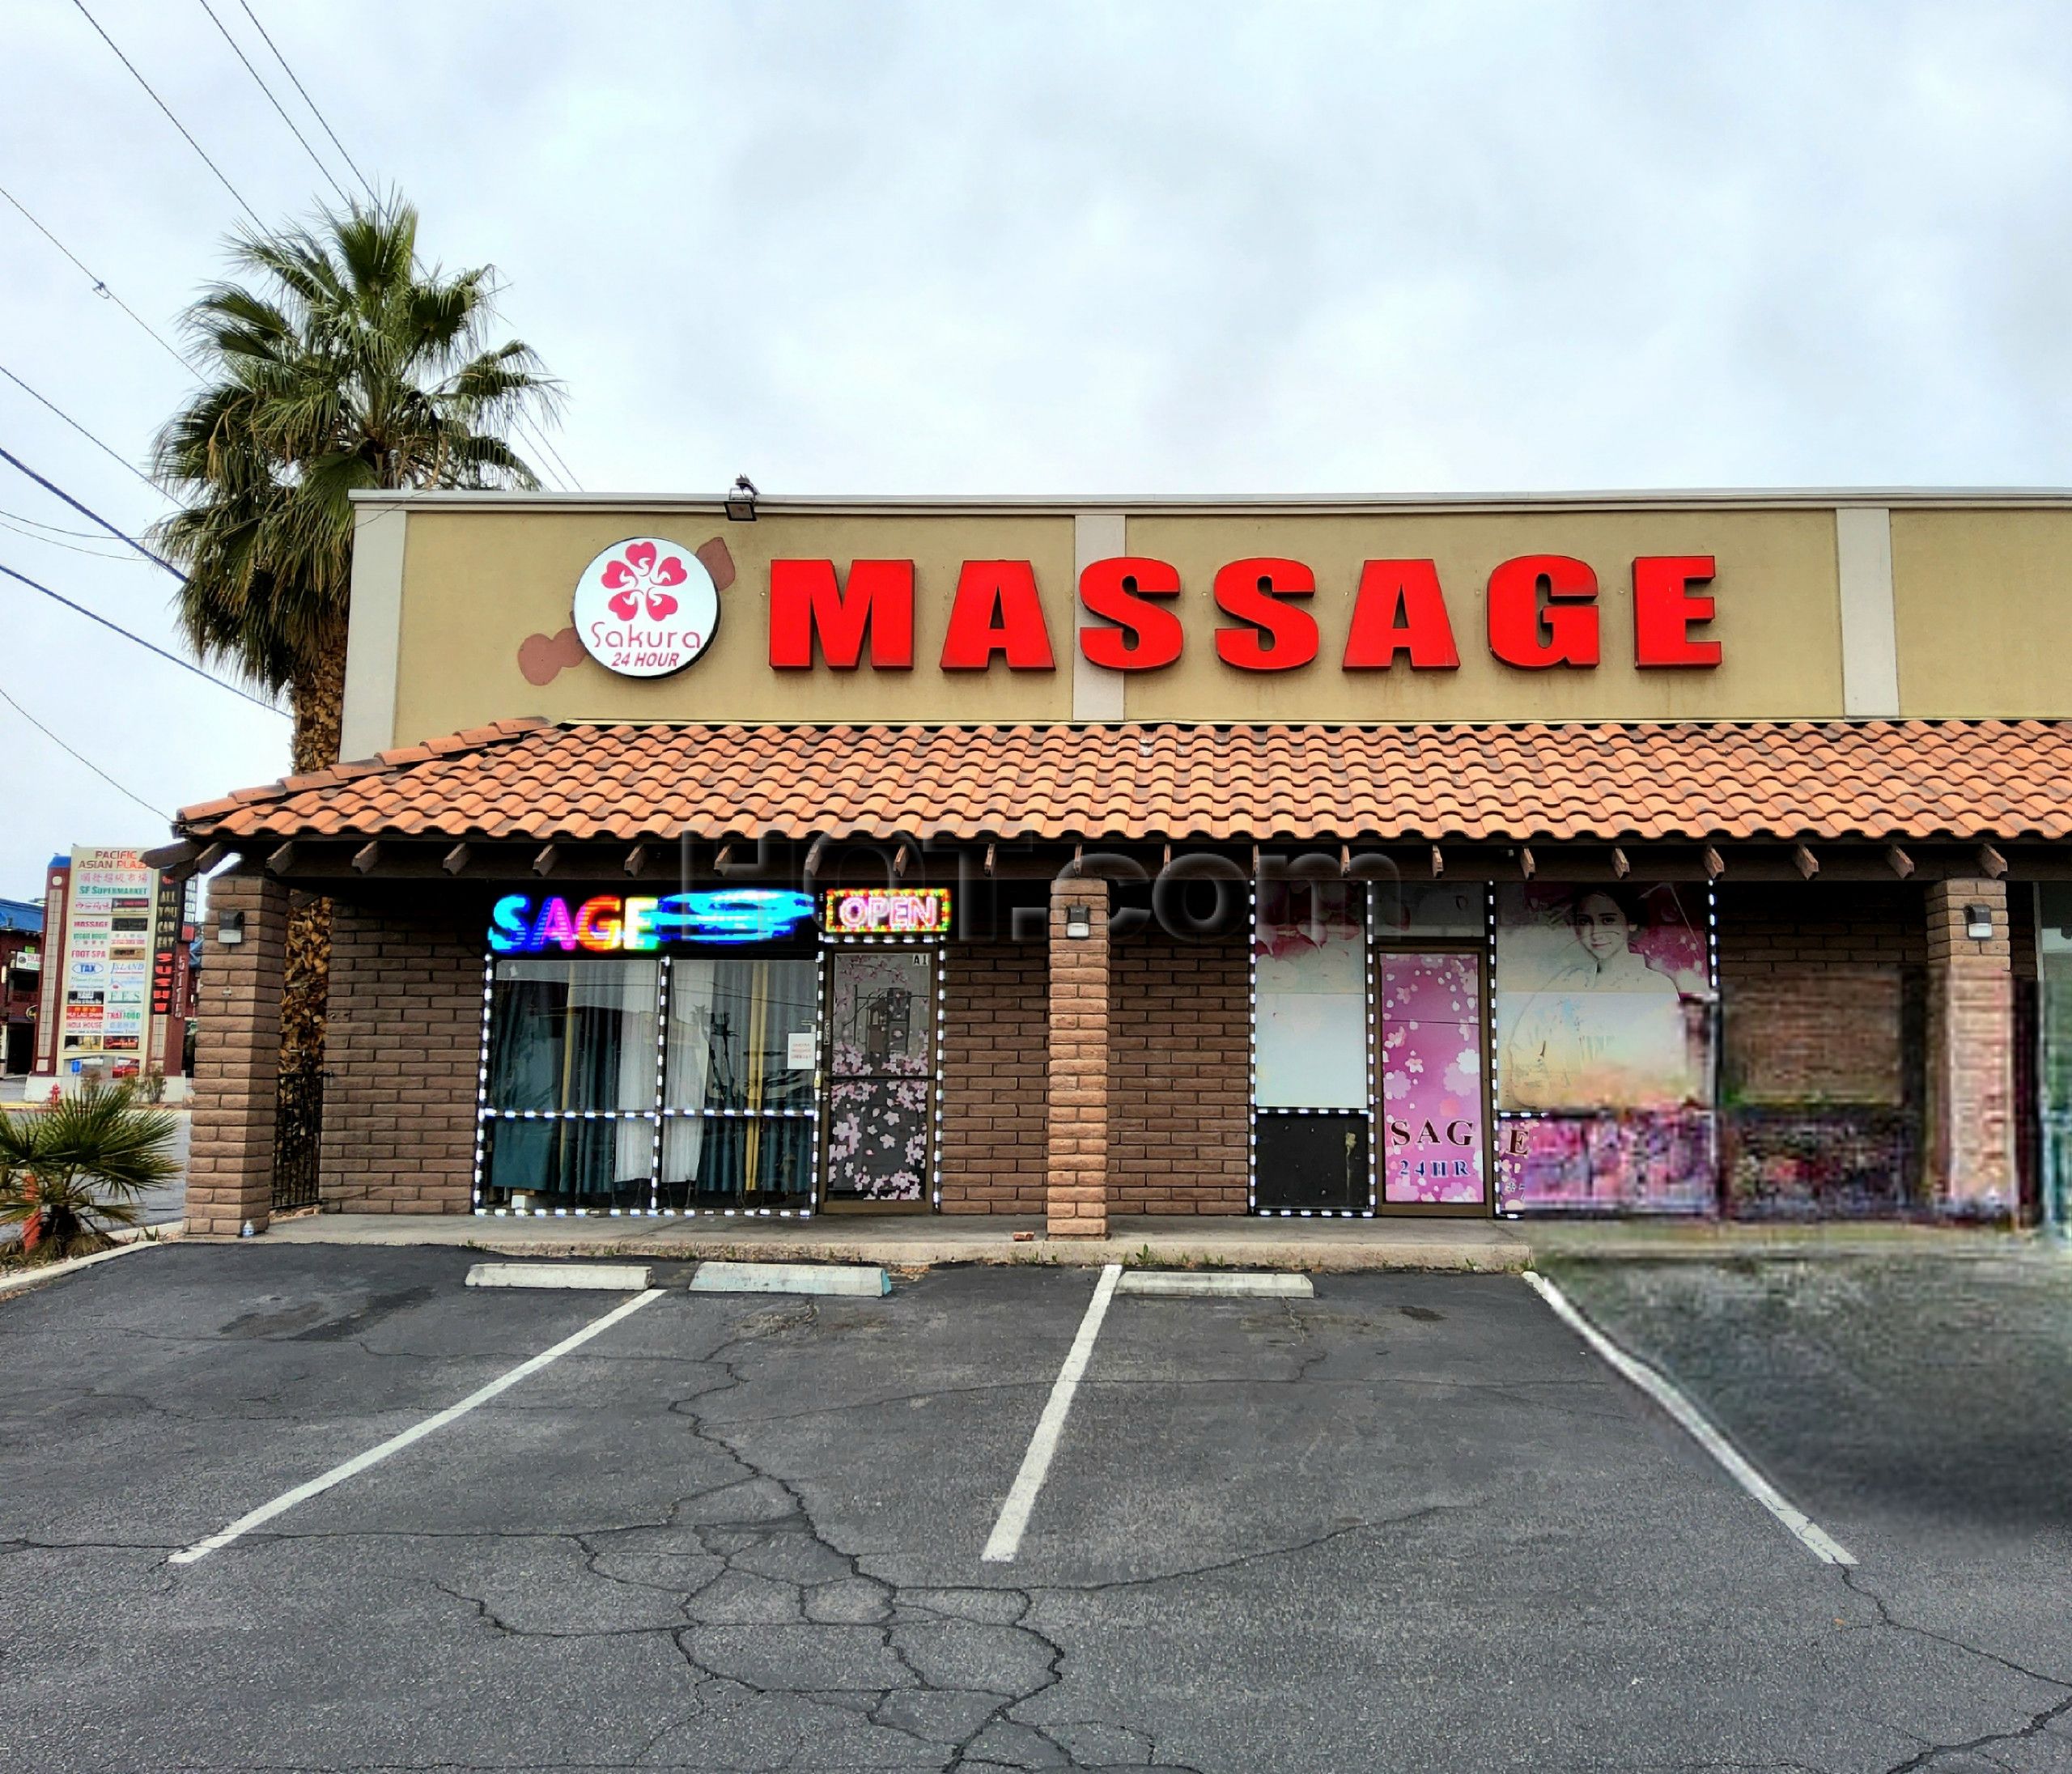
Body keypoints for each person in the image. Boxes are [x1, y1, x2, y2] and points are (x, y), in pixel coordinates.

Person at [1501, 888, 1706, 1110]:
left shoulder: (1656, 988)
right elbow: (1524, 1044)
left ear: (1631, 923)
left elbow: (1672, 1061)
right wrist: (1551, 1096)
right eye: (1585, 921)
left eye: (1608, 920)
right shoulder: (1565, 984)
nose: (1595, 932)